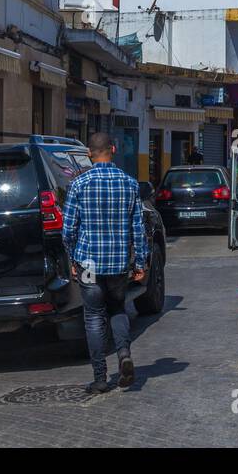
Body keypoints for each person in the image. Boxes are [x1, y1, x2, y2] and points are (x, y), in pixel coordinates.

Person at [62, 131, 149, 394]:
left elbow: (68, 230)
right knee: (117, 308)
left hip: (88, 264)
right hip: (119, 262)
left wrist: (73, 258)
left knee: (93, 318)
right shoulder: (129, 184)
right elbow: (138, 229)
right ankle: (124, 353)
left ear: (89, 153)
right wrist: (140, 263)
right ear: (112, 149)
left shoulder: (78, 184)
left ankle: (100, 377)